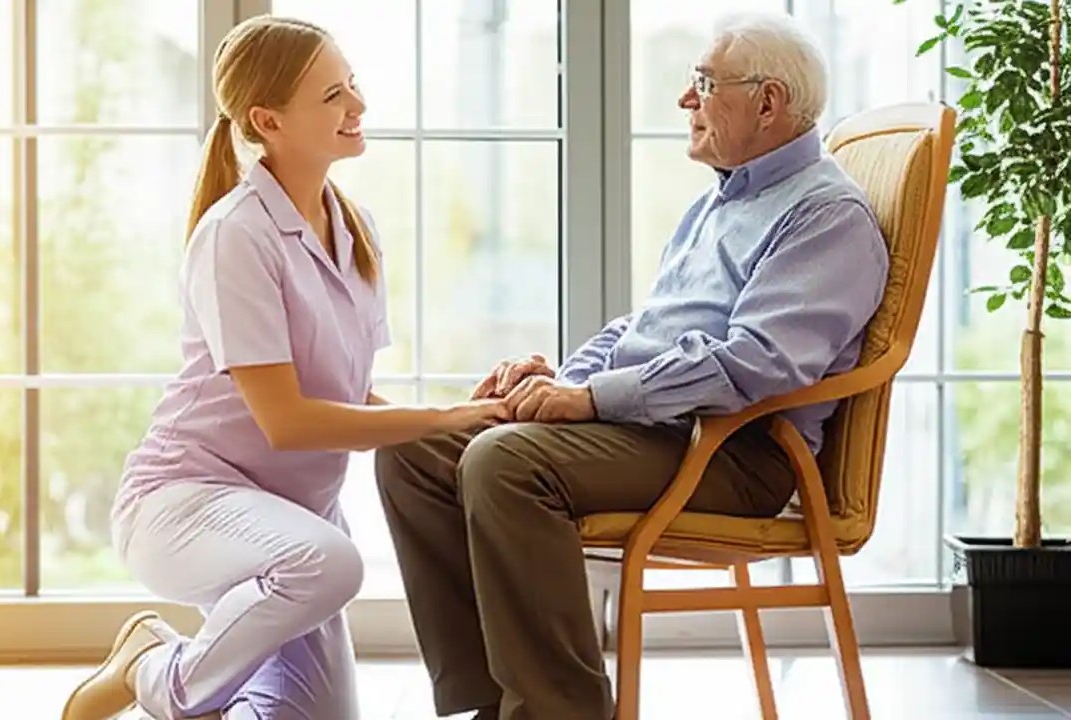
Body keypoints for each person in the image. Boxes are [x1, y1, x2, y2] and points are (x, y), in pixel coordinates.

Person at [375, 12, 889, 720]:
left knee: (506, 462)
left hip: (734, 452)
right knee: (414, 449)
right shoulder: (720, 201)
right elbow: (641, 329)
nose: (685, 99)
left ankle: (561, 713)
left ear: (768, 102)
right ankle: (493, 701)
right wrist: (560, 383)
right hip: (658, 431)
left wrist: (592, 400)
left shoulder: (826, 216)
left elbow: (757, 363)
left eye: (705, 82)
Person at [60, 15, 509, 720]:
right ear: (267, 122)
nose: (358, 104)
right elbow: (289, 422)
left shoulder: (354, 228)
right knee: (333, 563)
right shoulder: (234, 234)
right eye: (333, 95)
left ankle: (196, 680)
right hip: (187, 507)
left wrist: (468, 416)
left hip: (288, 531)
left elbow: (346, 393)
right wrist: (441, 418)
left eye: (352, 84)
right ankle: (151, 665)